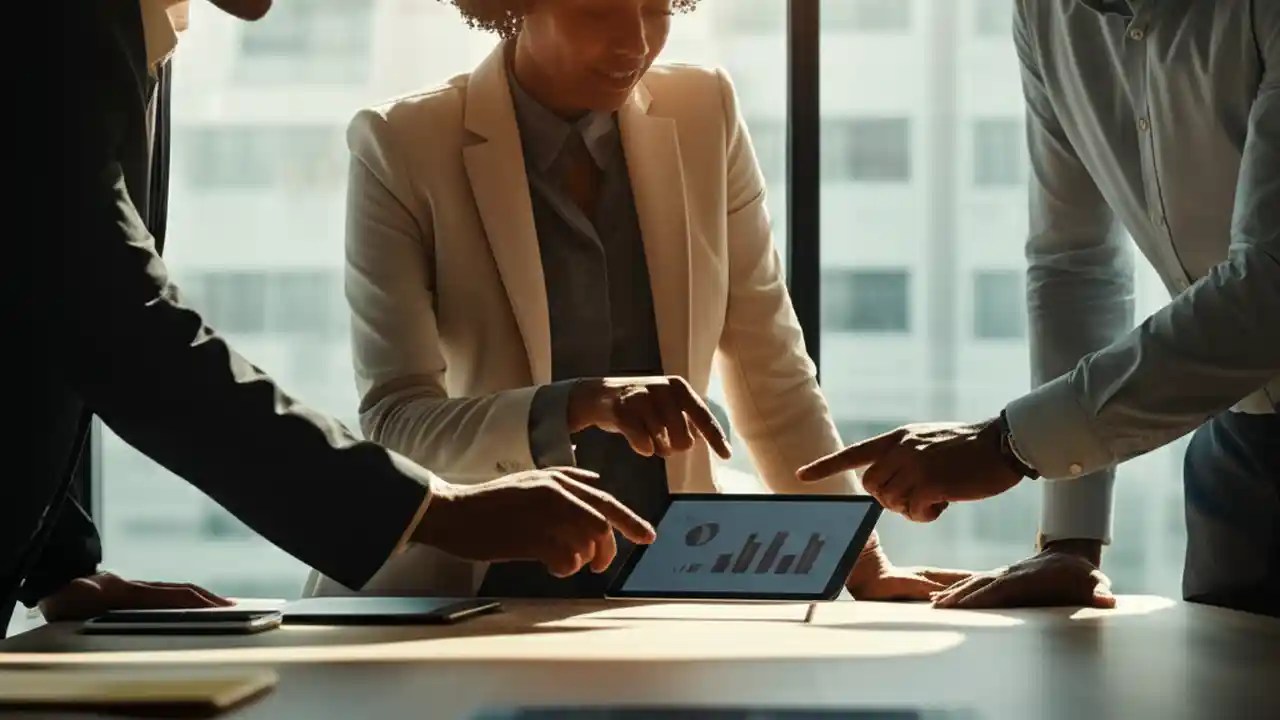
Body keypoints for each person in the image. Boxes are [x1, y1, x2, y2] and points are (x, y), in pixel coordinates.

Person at [6, 0, 656, 637]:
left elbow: (45, 299)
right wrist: (434, 511)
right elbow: (121, 328)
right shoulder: (57, 23)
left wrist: (56, 565)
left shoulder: (128, 32)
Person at [308, 0, 970, 599]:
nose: (636, 41)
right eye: (598, 12)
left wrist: (860, 558)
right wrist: (578, 403)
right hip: (465, 590)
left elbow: (769, 362)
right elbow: (397, 419)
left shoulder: (702, 110)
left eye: (656, 8)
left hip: (670, 580)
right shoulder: (402, 143)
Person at [800, 0, 1279, 617]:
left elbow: (1270, 287)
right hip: (1235, 451)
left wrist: (1008, 445)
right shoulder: (1046, 13)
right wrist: (1070, 545)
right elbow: (1074, 268)